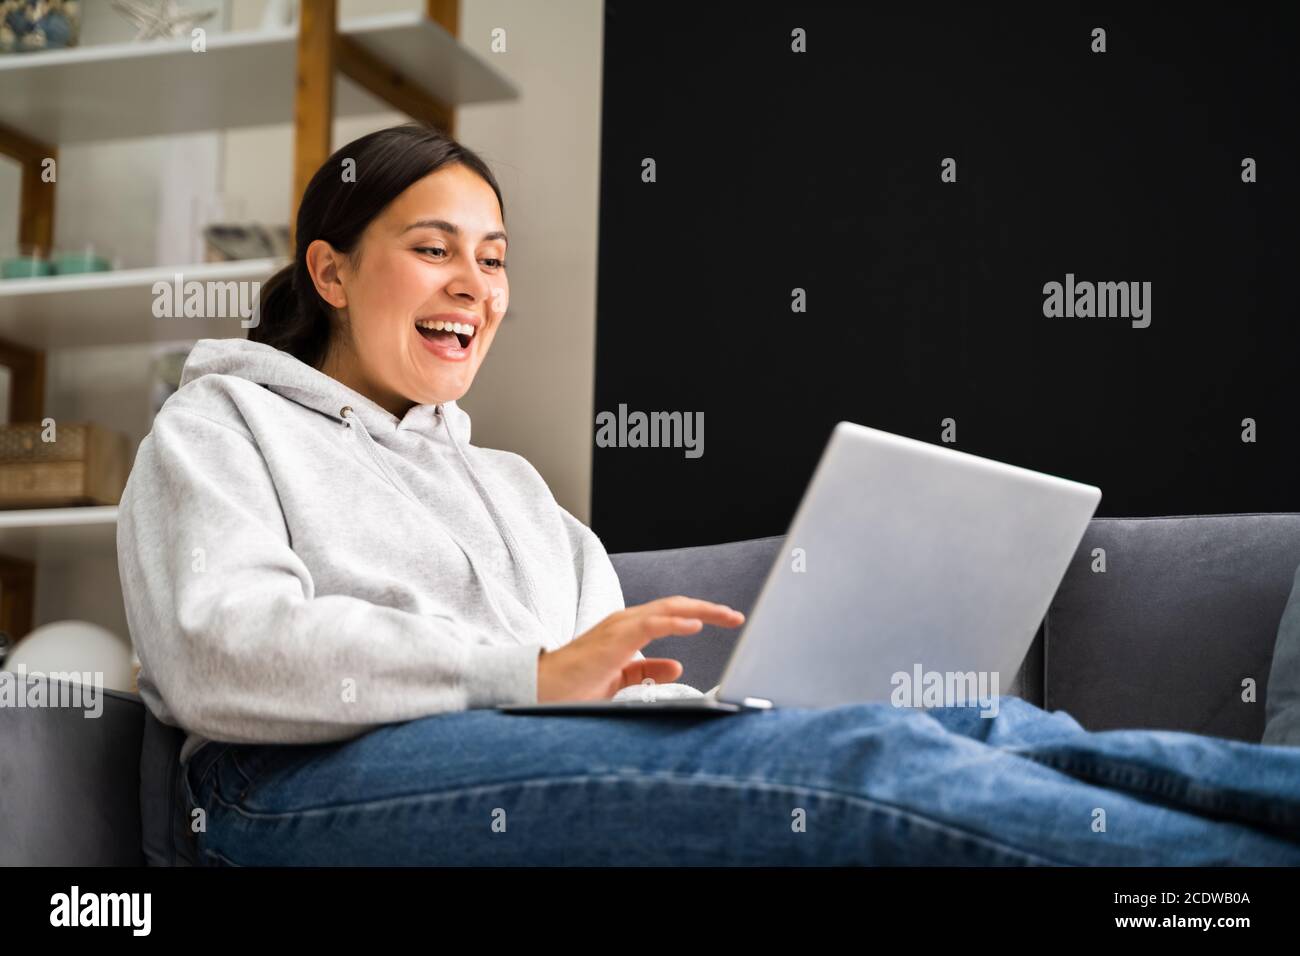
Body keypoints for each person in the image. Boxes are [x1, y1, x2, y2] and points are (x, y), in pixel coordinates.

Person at [117, 123, 1300, 866]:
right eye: (434, 247)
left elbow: (586, 703)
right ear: (330, 269)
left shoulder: (518, 491)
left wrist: (684, 705)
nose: (473, 283)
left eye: (494, 257)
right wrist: (529, 675)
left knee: (982, 727)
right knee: (861, 778)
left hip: (496, 756)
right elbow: (223, 650)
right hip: (286, 792)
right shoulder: (218, 425)